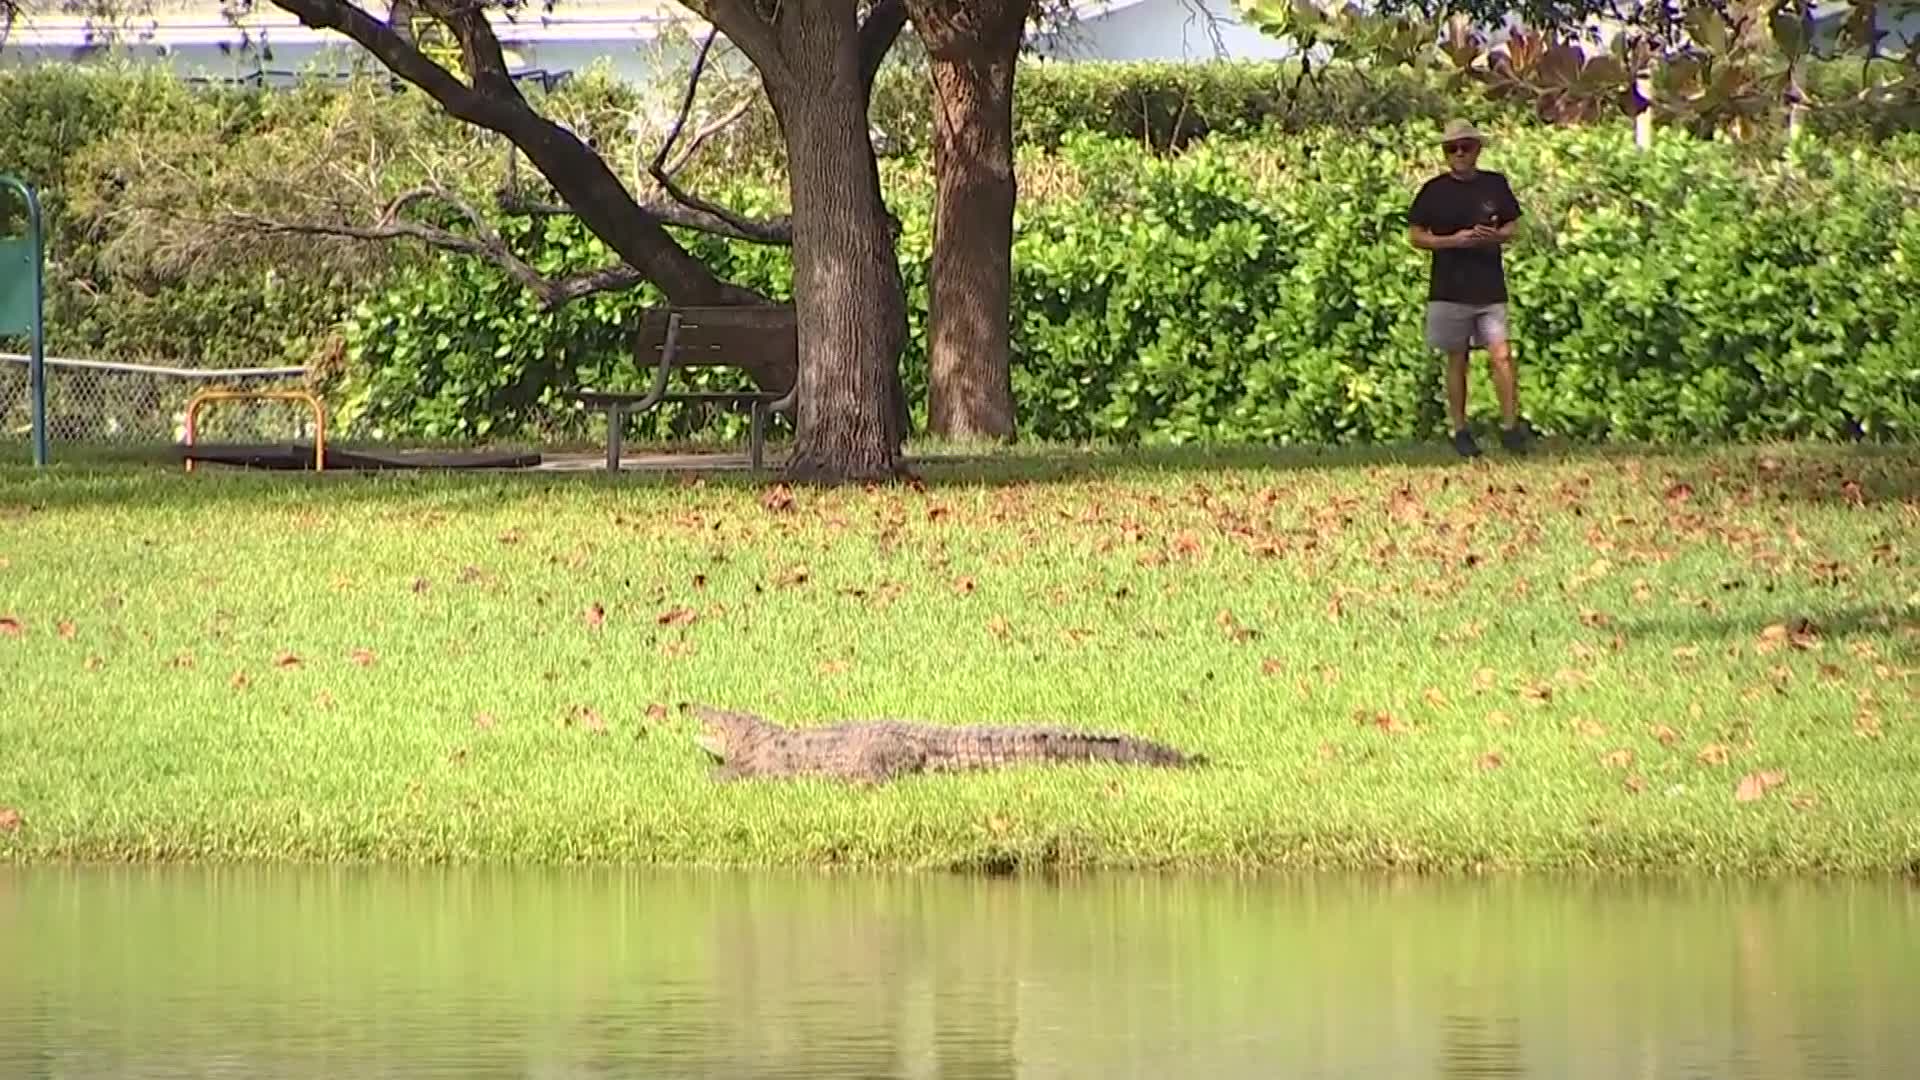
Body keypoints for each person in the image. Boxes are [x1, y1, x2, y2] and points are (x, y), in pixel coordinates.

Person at [1407, 119, 1534, 458]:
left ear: (1478, 148)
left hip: (1489, 286)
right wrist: (1451, 242)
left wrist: (1495, 237)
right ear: (1444, 153)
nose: (1459, 154)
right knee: (1457, 358)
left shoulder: (1495, 185)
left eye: (1466, 146)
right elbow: (1416, 235)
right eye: (1452, 148)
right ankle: (1460, 429)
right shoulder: (1433, 190)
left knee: (1502, 355)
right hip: (1449, 287)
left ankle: (1510, 426)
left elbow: (1514, 226)